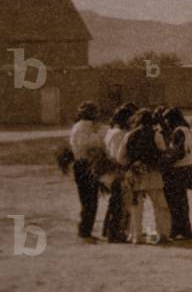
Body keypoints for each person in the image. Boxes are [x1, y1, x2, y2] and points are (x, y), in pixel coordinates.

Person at [117, 109, 173, 244]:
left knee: (136, 206)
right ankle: (163, 234)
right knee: (159, 205)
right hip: (152, 173)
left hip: (135, 173)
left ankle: (137, 236)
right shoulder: (156, 135)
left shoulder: (129, 135)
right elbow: (163, 151)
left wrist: (132, 165)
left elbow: (120, 158)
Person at [69, 101, 105, 242]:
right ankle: (85, 230)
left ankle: (85, 228)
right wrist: (98, 135)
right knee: (90, 199)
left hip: (80, 164)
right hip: (86, 164)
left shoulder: (77, 126)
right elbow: (90, 145)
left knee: (86, 198)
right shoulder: (86, 127)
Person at [101, 103, 135, 243]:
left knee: (114, 202)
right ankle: (116, 232)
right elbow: (119, 156)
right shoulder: (120, 135)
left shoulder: (111, 132)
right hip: (119, 171)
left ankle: (109, 230)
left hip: (111, 171)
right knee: (121, 203)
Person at [162, 108, 192, 240]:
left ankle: (177, 228)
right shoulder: (186, 129)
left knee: (175, 201)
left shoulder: (177, 131)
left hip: (177, 170)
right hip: (186, 168)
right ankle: (185, 229)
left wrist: (166, 162)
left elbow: (179, 152)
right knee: (182, 200)